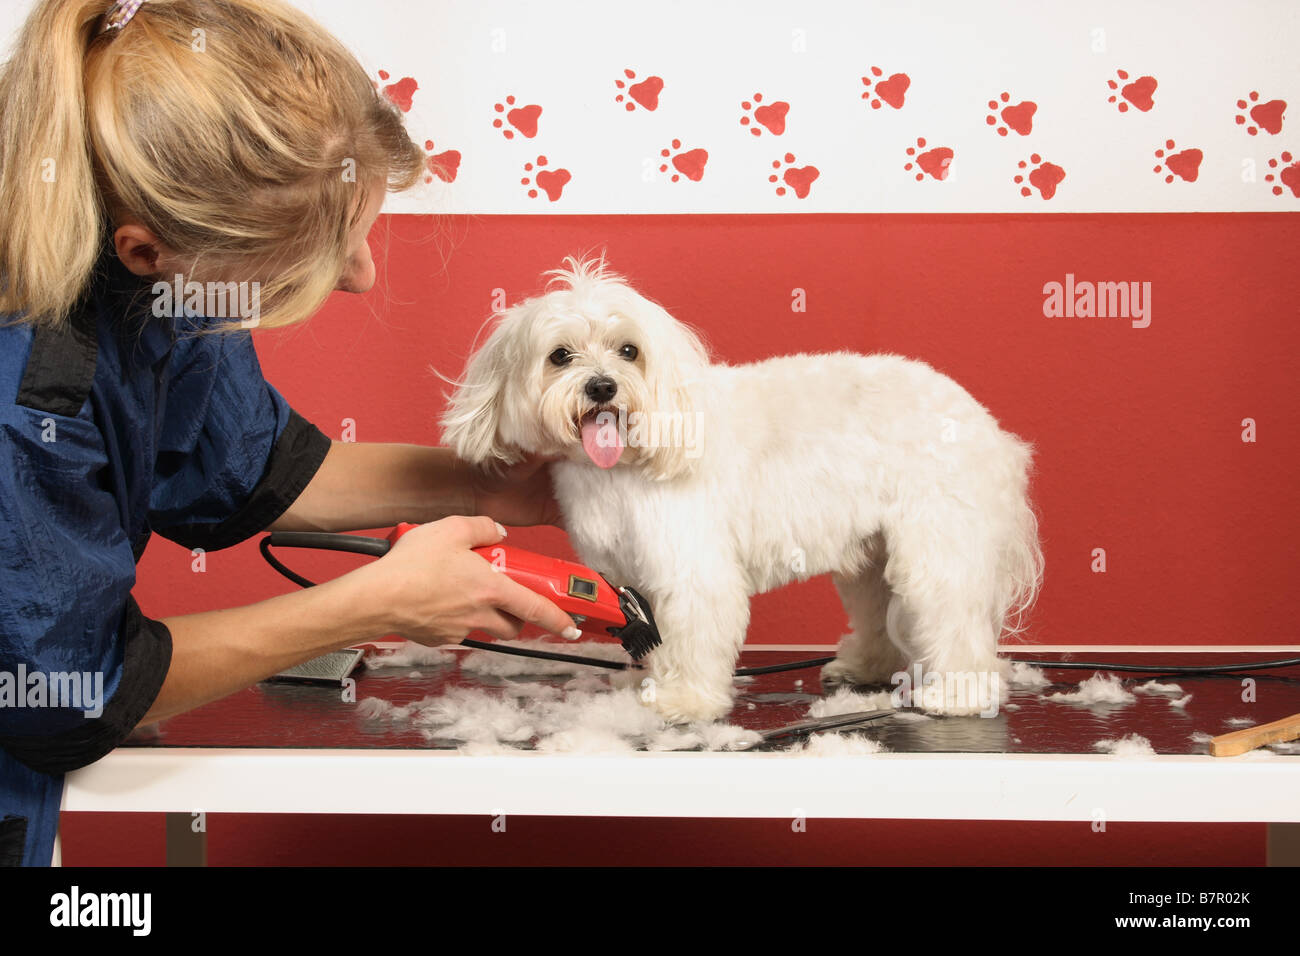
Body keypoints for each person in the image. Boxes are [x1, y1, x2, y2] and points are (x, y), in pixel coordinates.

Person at [0, 0, 577, 867]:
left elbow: (258, 467)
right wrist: (375, 602)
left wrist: (492, 485)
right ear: (149, 250)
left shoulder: (166, 290)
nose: (361, 275)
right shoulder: (24, 384)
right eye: (328, 250)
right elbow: (68, 694)